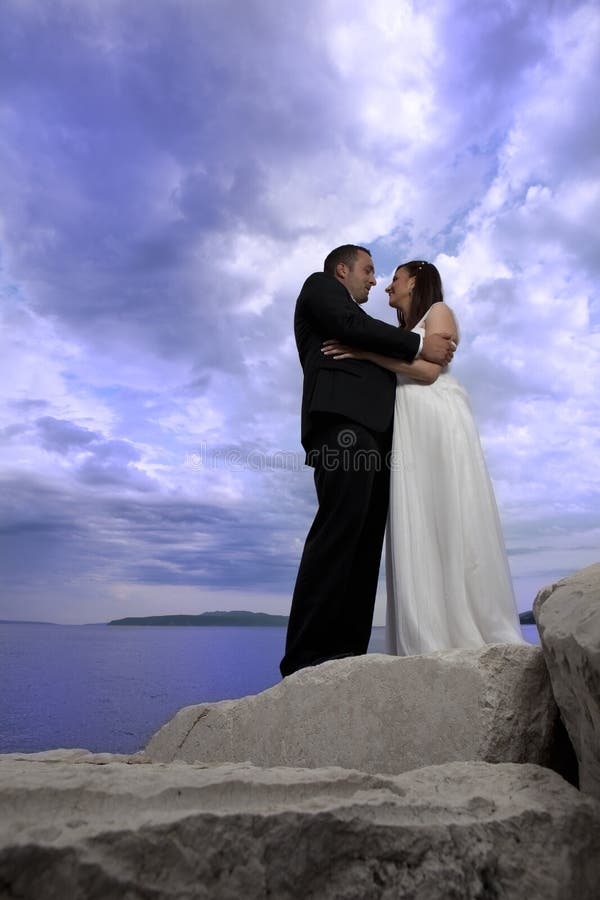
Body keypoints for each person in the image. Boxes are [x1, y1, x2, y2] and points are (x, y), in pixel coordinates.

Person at [323, 260, 524, 655]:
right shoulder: (401, 333)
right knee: (418, 517)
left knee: (447, 510)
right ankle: (426, 628)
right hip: (409, 424)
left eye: (394, 279)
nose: (386, 287)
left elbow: (430, 372)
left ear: (415, 280)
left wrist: (364, 354)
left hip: (436, 417)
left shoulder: (439, 311)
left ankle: (464, 625)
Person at [280, 247, 456, 677]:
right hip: (343, 428)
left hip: (378, 439)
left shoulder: (359, 318)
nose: (374, 281)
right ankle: (304, 657)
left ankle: (347, 652)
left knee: (364, 546)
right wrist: (419, 342)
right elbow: (351, 326)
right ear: (342, 269)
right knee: (338, 533)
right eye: (368, 271)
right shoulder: (320, 289)